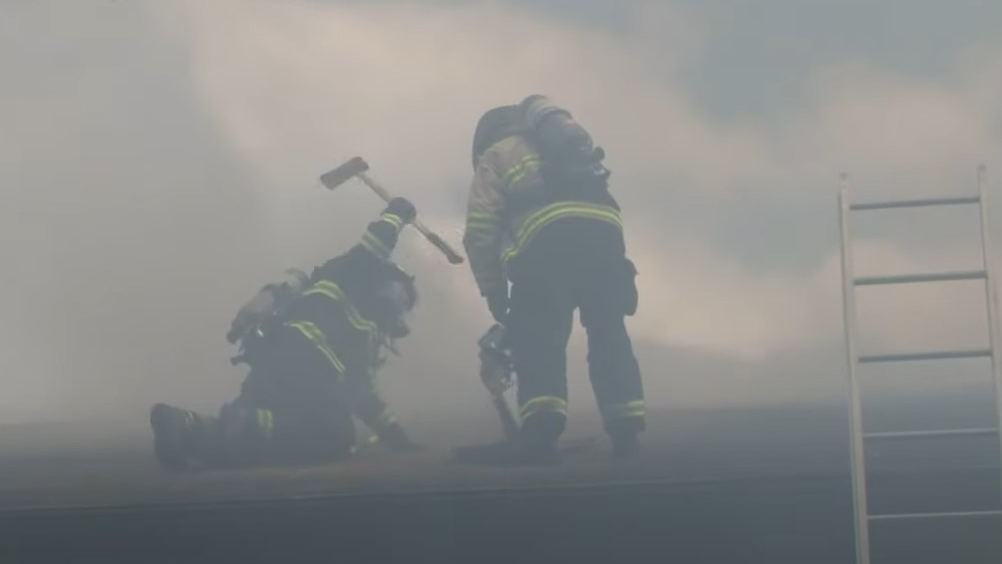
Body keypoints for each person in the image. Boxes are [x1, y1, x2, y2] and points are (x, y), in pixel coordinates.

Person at [150, 198, 423, 470]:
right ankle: (246, 422)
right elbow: (375, 246)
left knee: (244, 446)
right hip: (306, 369)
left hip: (274, 368)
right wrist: (396, 214)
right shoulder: (355, 273)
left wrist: (397, 437)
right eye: (404, 298)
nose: (400, 309)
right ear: (388, 281)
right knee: (334, 433)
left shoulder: (362, 329)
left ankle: (185, 425)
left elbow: (362, 394)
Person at [458, 95, 645, 464]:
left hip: (546, 247)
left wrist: (493, 289)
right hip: (605, 240)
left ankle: (540, 434)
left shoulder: (497, 154)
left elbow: (481, 229)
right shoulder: (565, 148)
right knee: (609, 331)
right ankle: (625, 429)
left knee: (540, 338)